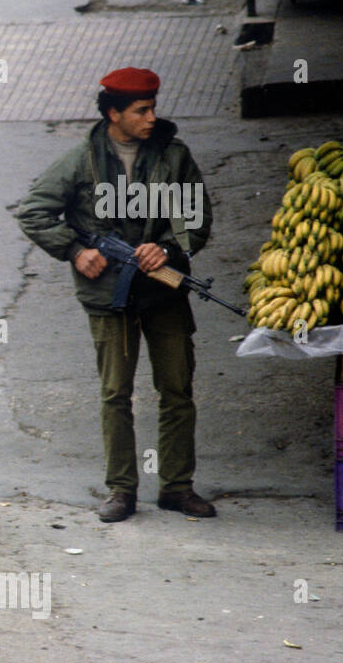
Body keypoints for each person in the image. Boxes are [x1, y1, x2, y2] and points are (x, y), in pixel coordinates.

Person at [15, 67, 216, 522]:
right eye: (140, 111)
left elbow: (196, 218)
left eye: (152, 109)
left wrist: (164, 247)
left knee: (177, 390)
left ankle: (177, 487)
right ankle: (122, 489)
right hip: (110, 297)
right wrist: (74, 250)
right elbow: (34, 211)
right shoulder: (82, 161)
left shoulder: (173, 157)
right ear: (113, 114)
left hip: (164, 292)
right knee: (115, 394)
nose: (150, 118)